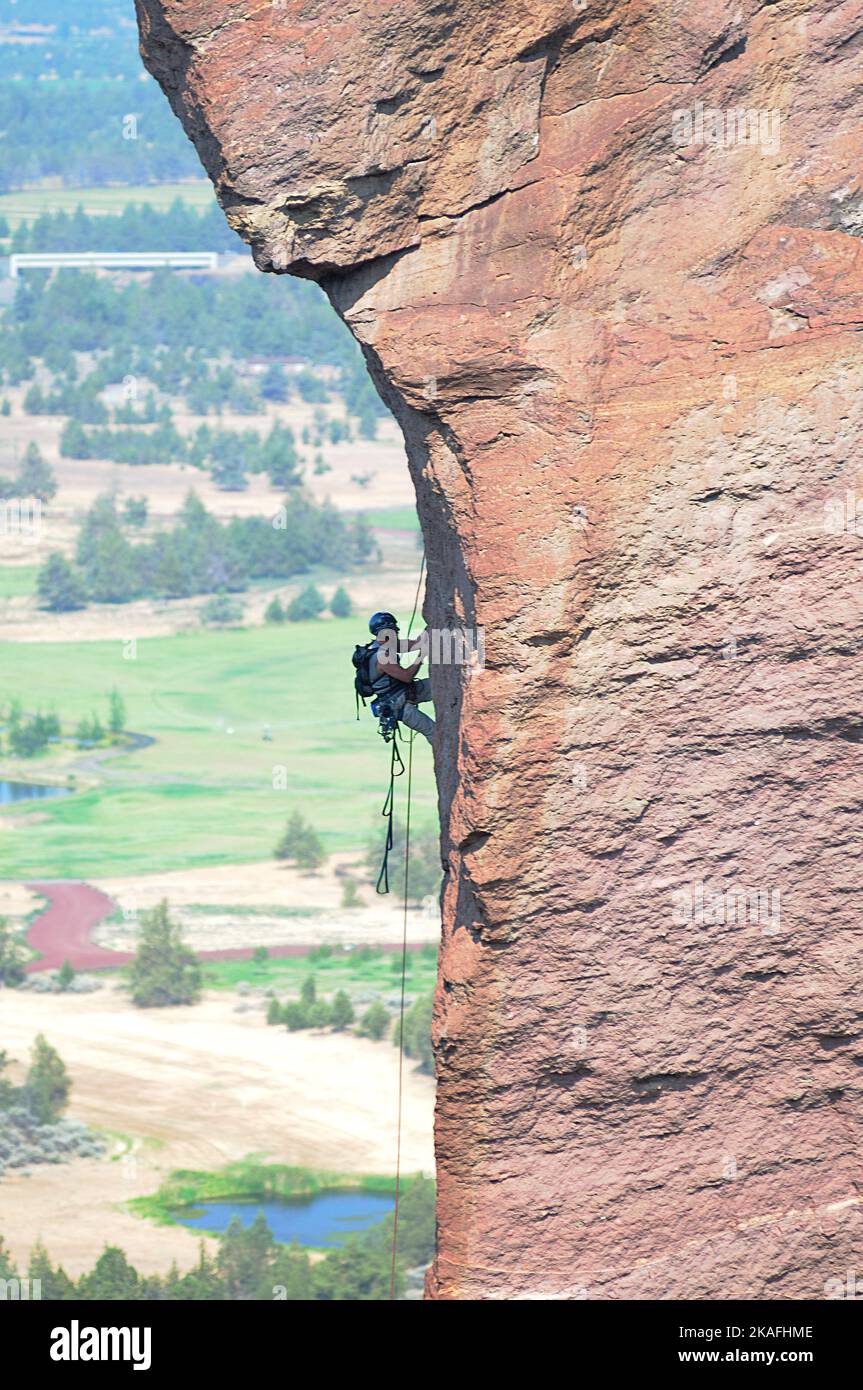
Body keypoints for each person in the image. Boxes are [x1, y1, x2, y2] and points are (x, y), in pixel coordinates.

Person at [367, 610, 435, 744]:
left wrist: (430, 628)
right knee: (432, 731)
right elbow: (407, 676)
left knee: (439, 685)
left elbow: (416, 644)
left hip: (403, 693)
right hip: (399, 707)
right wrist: (421, 656)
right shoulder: (382, 656)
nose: (396, 633)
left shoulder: (386, 644)